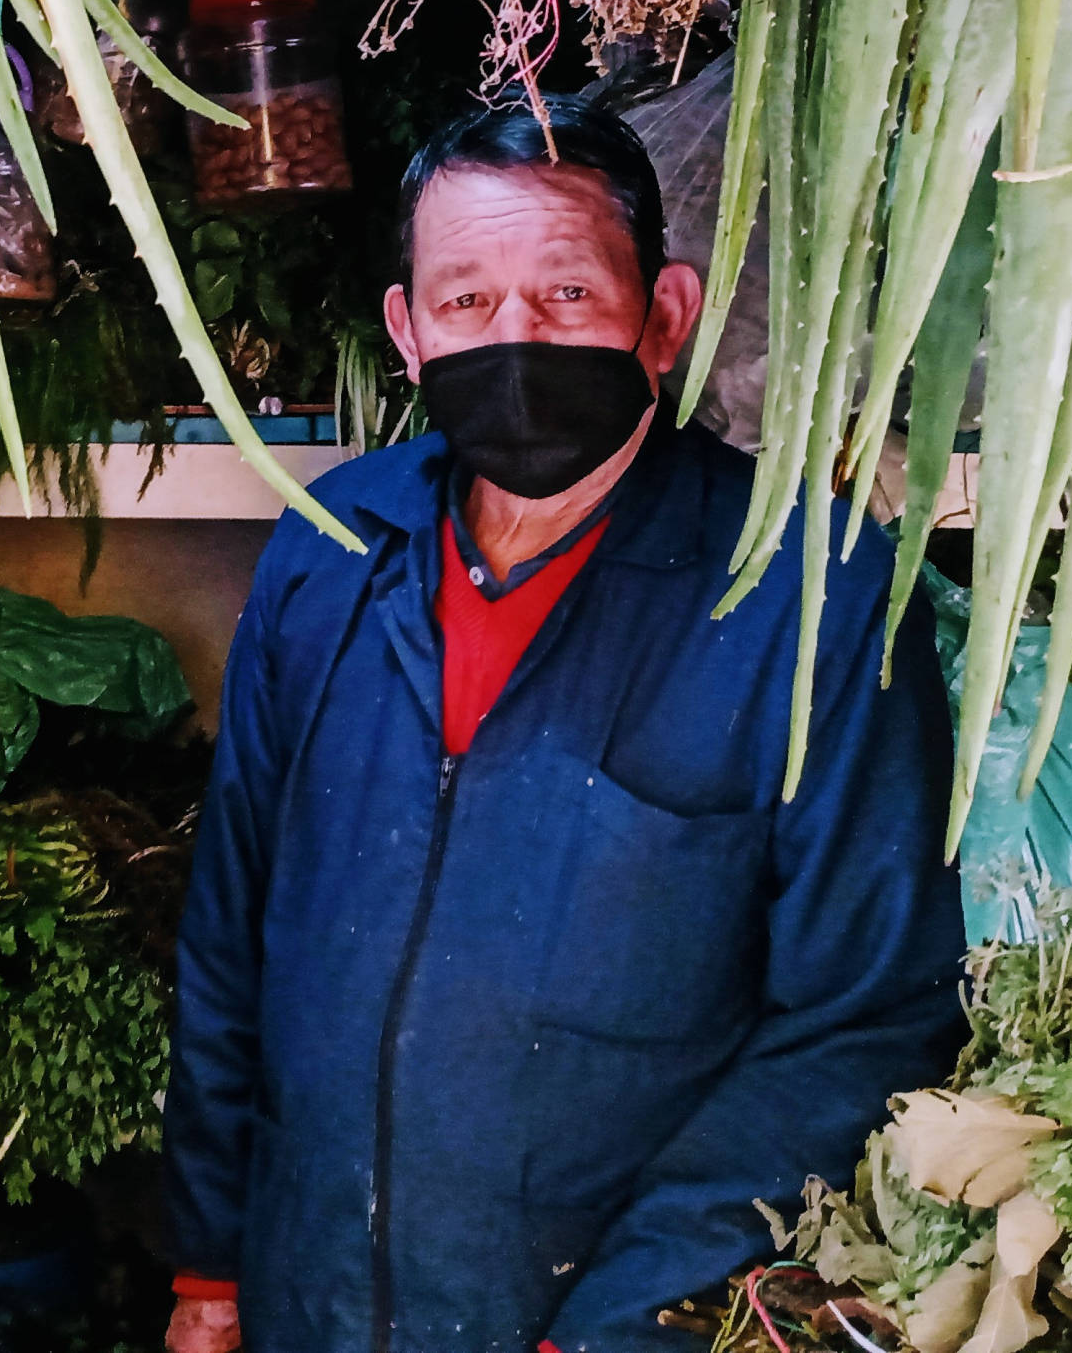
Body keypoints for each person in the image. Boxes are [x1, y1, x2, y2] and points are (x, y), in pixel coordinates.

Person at [162, 91, 965, 1353]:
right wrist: (210, 1264)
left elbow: (864, 1015)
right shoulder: (325, 556)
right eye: (466, 300)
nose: (514, 335)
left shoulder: (812, 590)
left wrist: (627, 1316)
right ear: (408, 333)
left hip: (617, 1318)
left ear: (666, 316)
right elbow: (231, 931)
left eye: (569, 294)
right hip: (309, 1292)